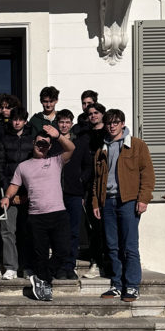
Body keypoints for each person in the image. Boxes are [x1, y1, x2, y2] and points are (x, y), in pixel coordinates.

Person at [0, 125, 75, 302]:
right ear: (33, 143)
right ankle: (44, 285)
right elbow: (14, 185)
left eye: (46, 145)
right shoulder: (23, 166)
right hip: (36, 216)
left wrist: (58, 136)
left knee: (63, 251)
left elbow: (71, 148)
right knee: (40, 255)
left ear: (50, 146)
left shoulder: (56, 161)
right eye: (39, 143)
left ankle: (40, 278)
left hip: (58, 214)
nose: (42, 147)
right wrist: (7, 197)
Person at [92, 109, 155, 303]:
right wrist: (96, 202)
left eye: (116, 122)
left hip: (128, 201)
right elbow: (96, 180)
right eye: (109, 122)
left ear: (123, 124)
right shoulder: (101, 149)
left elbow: (148, 174)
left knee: (129, 246)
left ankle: (132, 286)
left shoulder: (136, 146)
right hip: (107, 202)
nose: (112, 126)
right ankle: (117, 285)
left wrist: (143, 199)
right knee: (112, 246)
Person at [0, 107, 34, 280]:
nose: (16, 122)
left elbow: (36, 164)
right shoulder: (4, 139)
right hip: (8, 191)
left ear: (25, 121)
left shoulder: (32, 139)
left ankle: (27, 266)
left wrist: (26, 191)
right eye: (14, 119)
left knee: (28, 230)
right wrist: (7, 189)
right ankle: (10, 266)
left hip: (29, 192)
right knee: (8, 230)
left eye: (20, 119)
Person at [57, 109, 93, 280]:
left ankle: (69, 266)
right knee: (57, 231)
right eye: (61, 122)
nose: (64, 125)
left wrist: (80, 180)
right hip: (55, 194)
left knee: (73, 231)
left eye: (67, 122)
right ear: (56, 123)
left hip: (74, 193)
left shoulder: (80, 143)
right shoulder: (52, 143)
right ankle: (58, 264)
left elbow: (88, 165)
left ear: (71, 124)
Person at [82, 102, 107, 278]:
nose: (93, 115)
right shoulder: (85, 134)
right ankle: (96, 261)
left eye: (96, 112)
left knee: (109, 227)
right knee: (95, 226)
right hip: (90, 185)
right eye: (90, 113)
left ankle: (108, 262)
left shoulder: (110, 133)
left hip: (108, 186)